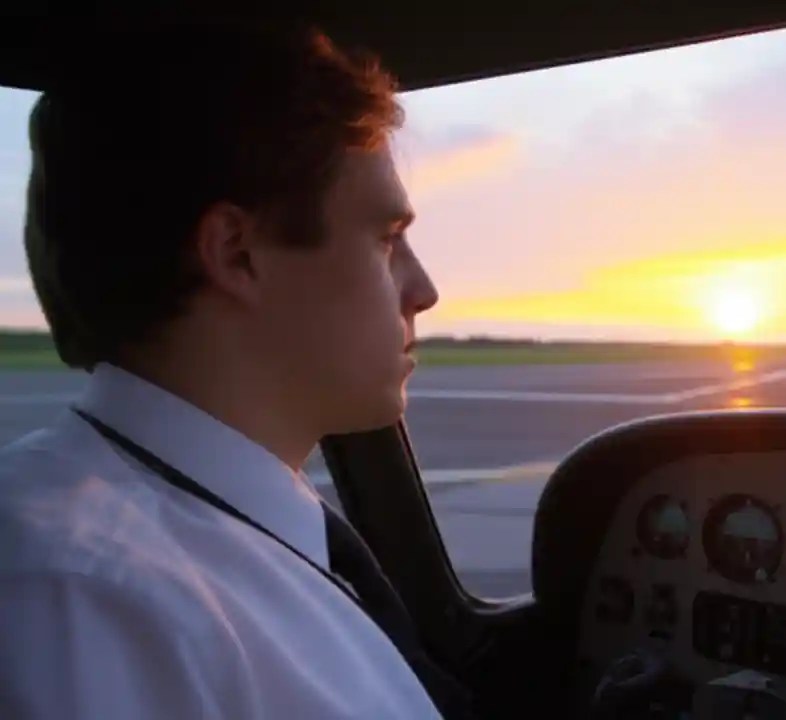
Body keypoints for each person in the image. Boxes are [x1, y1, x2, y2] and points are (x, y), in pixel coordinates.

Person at [0, 22, 460, 719]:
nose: (423, 289)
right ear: (237, 253)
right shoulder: (87, 600)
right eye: (387, 239)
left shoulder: (215, 531)